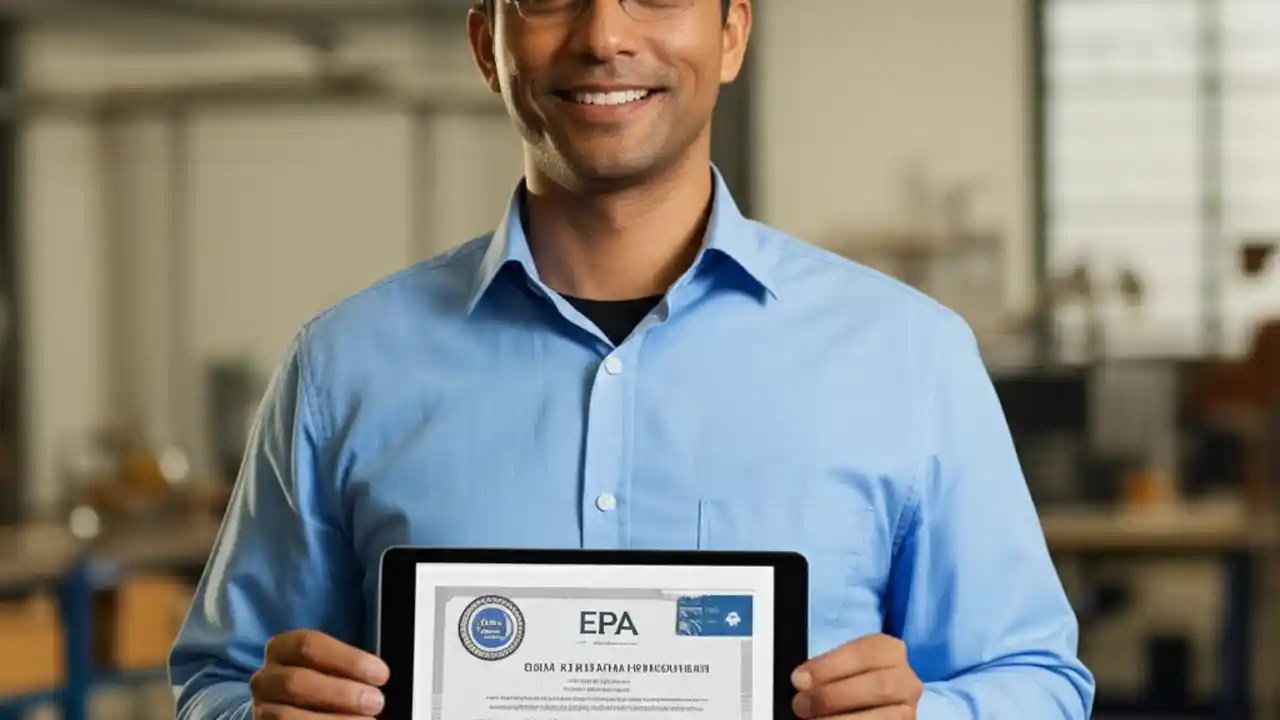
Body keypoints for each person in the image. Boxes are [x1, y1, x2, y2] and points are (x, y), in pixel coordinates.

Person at [169, 0, 1095, 717]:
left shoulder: (909, 355)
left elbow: (1040, 680)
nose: (604, 35)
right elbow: (218, 679)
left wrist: (931, 712)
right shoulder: (342, 368)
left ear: (733, 33)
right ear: (485, 43)